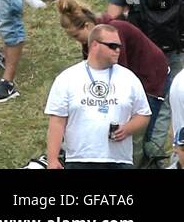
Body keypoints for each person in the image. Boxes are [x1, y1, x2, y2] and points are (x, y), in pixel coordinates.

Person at [45, 23, 152, 169]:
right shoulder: (68, 78)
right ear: (95, 45)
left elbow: (143, 114)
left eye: (119, 46)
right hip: (79, 160)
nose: (117, 50)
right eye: (112, 46)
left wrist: (128, 128)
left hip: (119, 161)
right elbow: (57, 121)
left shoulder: (129, 78)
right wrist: (52, 160)